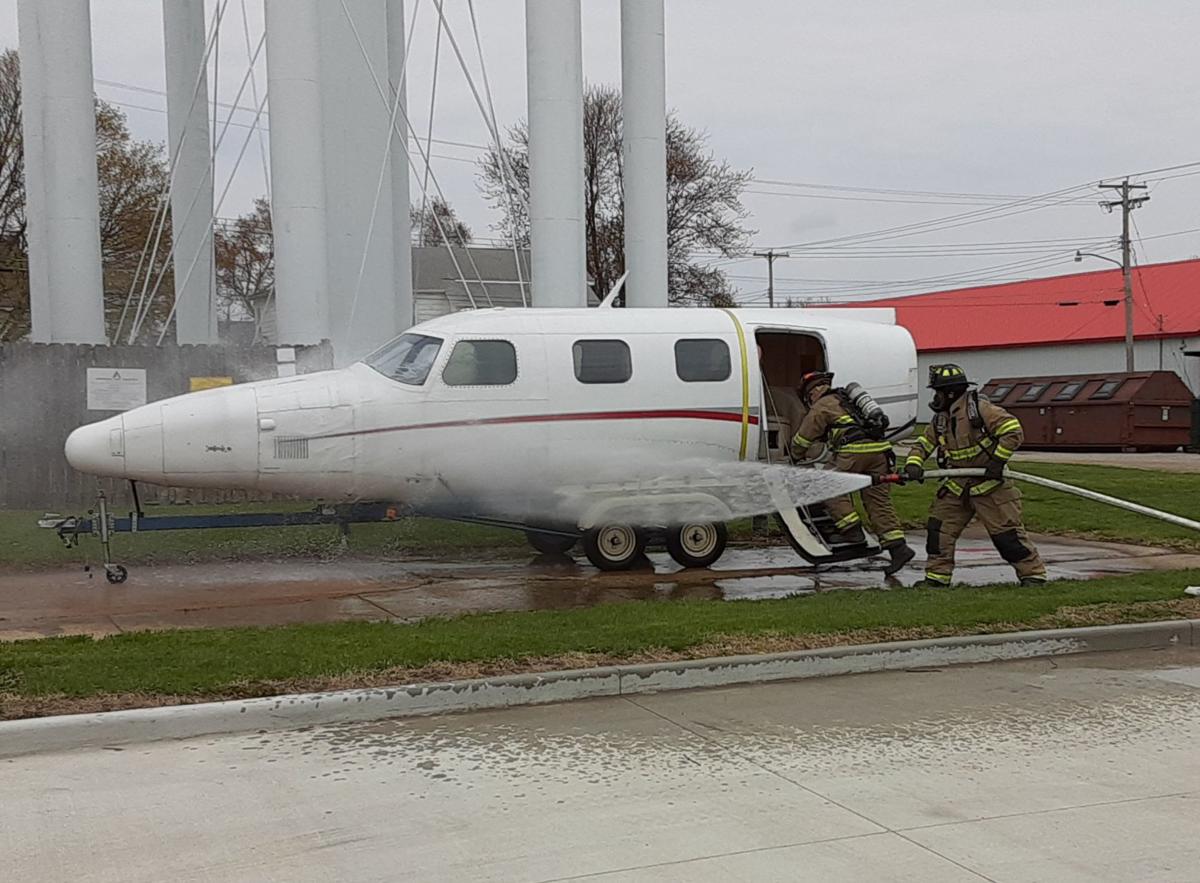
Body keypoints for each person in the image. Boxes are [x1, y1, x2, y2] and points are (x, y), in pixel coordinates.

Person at [904, 364, 1047, 587]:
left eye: (938, 392)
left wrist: (997, 461)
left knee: (1007, 536)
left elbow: (1012, 430)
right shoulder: (941, 418)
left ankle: (1033, 575)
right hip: (956, 485)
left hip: (989, 485)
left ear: (950, 393)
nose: (936, 397)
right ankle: (936, 578)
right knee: (939, 531)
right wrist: (914, 463)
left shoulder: (981, 410)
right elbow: (924, 443)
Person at [791, 371, 916, 575]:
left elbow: (804, 438)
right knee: (879, 502)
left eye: (809, 396)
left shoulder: (822, 405)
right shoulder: (849, 401)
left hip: (854, 453)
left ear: (813, 391)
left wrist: (794, 455)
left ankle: (852, 532)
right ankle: (898, 549)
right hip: (881, 453)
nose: (810, 399)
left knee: (827, 484)